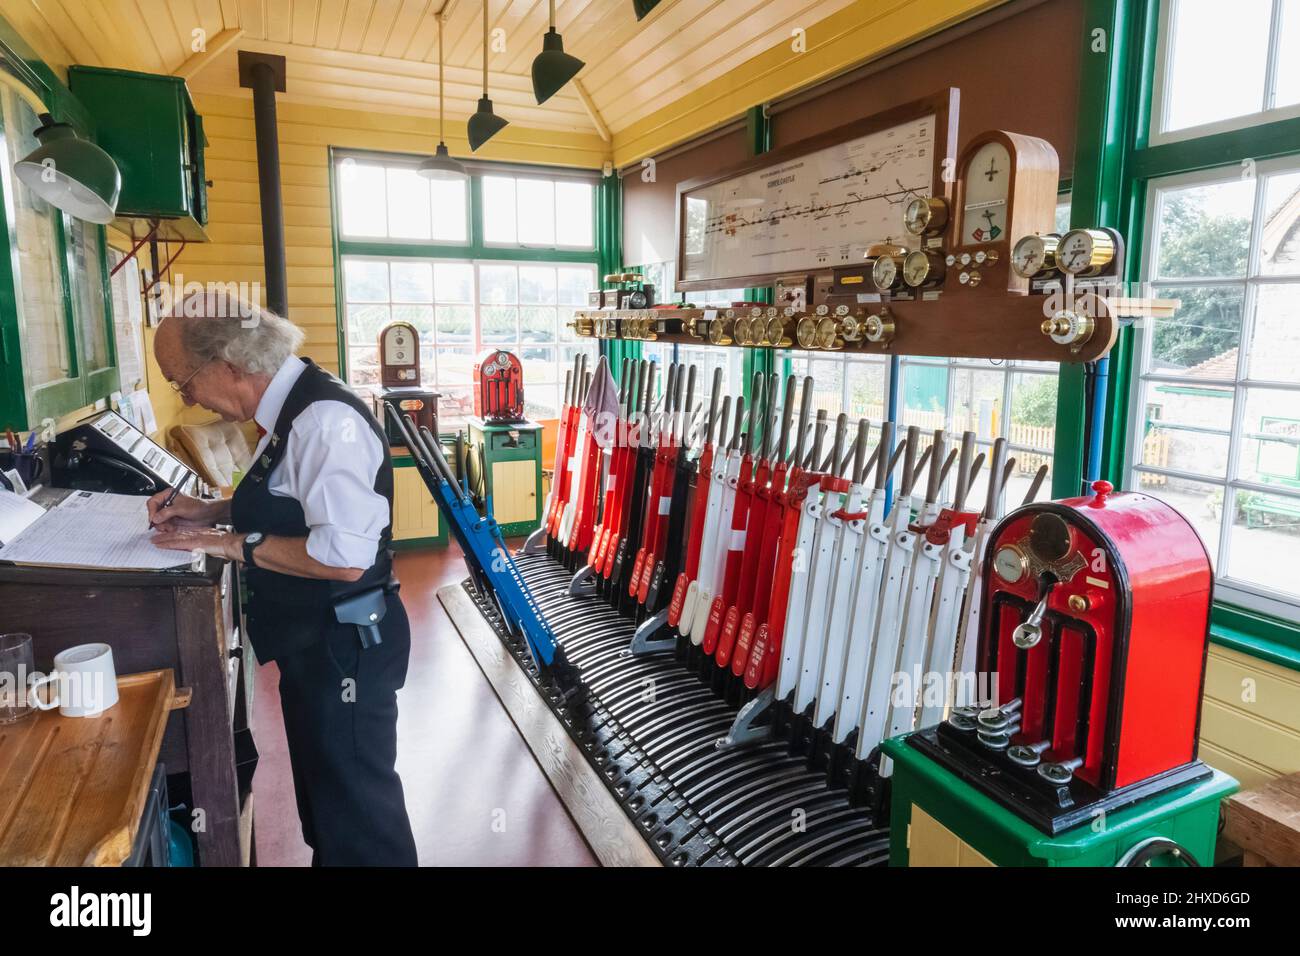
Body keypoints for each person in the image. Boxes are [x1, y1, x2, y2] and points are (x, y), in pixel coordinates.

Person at [149, 291, 418, 866]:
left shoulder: (324, 420)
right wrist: (208, 511)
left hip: (346, 646)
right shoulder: (290, 408)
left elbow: (342, 556)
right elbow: (290, 502)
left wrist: (227, 544)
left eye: (182, 381)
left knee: (359, 822)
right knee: (330, 811)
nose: (188, 397)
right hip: (318, 645)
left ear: (229, 362)